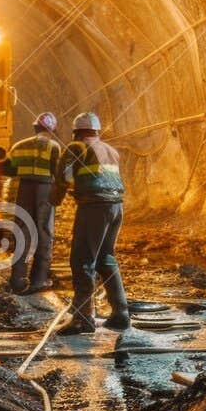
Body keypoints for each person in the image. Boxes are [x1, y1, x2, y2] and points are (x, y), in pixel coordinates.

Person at [51, 112, 129, 334]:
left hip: (93, 207)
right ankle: (121, 314)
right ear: (97, 131)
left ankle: (82, 319)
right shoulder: (111, 150)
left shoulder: (75, 148)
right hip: (116, 207)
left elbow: (64, 178)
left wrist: (53, 201)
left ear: (76, 131)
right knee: (106, 257)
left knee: (82, 260)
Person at [3, 112, 63, 294]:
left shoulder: (18, 146)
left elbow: (8, 170)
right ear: (52, 130)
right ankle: (39, 279)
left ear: (35, 127)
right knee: (44, 233)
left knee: (23, 233)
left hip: (24, 189)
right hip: (45, 190)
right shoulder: (54, 146)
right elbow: (58, 173)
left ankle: (17, 280)